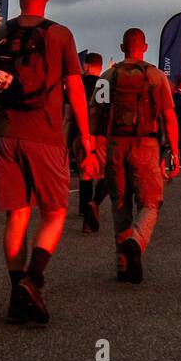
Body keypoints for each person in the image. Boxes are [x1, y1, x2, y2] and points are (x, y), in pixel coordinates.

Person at [0, 0, 96, 325]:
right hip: (44, 135)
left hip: (4, 132)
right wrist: (86, 140)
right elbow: (75, 89)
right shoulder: (60, 35)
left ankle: (16, 296)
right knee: (55, 211)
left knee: (17, 215)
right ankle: (34, 278)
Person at [99, 29, 179, 284]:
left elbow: (96, 115)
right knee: (150, 203)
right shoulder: (155, 76)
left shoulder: (107, 76)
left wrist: (94, 149)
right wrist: (174, 151)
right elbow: (168, 116)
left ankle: (123, 266)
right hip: (145, 145)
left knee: (119, 203)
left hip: (115, 145)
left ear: (122, 46)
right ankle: (136, 240)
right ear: (144, 47)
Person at [77, 52, 109, 233]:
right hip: (101, 133)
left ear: (86, 65)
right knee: (105, 172)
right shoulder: (103, 84)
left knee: (85, 171)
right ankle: (95, 202)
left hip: (81, 132)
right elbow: (103, 111)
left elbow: (68, 114)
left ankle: (84, 206)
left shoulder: (78, 83)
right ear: (101, 66)